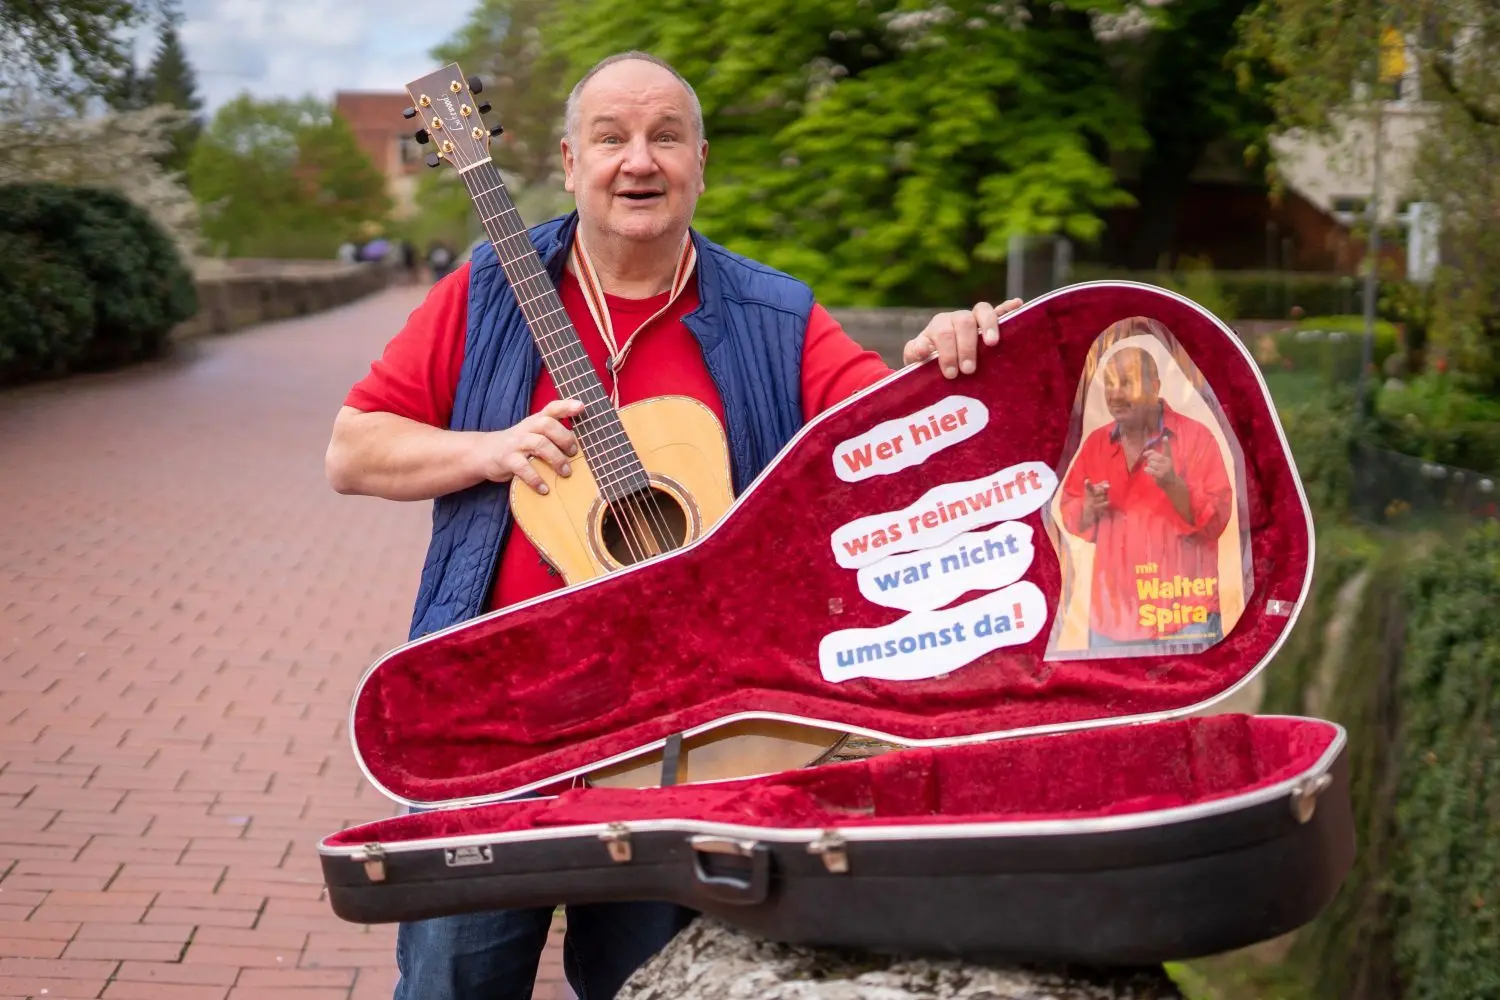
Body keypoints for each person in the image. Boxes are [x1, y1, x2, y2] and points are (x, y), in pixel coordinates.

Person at [325, 50, 1021, 1000]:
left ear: (702, 161)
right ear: (570, 163)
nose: (637, 161)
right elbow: (352, 451)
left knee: (657, 986)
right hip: (495, 722)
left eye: (665, 136)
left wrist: (964, 362)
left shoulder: (775, 315)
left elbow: (895, 441)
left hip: (687, 739)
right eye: (609, 138)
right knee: (452, 978)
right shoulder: (491, 287)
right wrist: (487, 451)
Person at [1057, 346, 1233, 651]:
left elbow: (1218, 519)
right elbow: (1071, 514)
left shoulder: (1197, 438)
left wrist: (1174, 486)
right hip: (1111, 624)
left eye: (1127, 382)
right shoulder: (1096, 444)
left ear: (1155, 387)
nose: (1114, 393)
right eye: (1109, 383)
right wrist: (1088, 509)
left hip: (1184, 619)